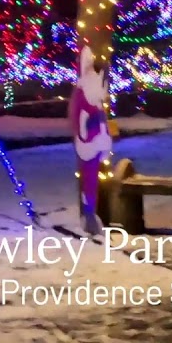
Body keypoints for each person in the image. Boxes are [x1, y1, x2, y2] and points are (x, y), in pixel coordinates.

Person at [70, 47, 113, 235]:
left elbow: (99, 112)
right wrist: (84, 136)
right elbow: (80, 120)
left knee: (94, 179)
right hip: (89, 142)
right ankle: (88, 215)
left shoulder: (92, 92)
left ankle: (92, 214)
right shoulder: (82, 93)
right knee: (89, 178)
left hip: (97, 140)